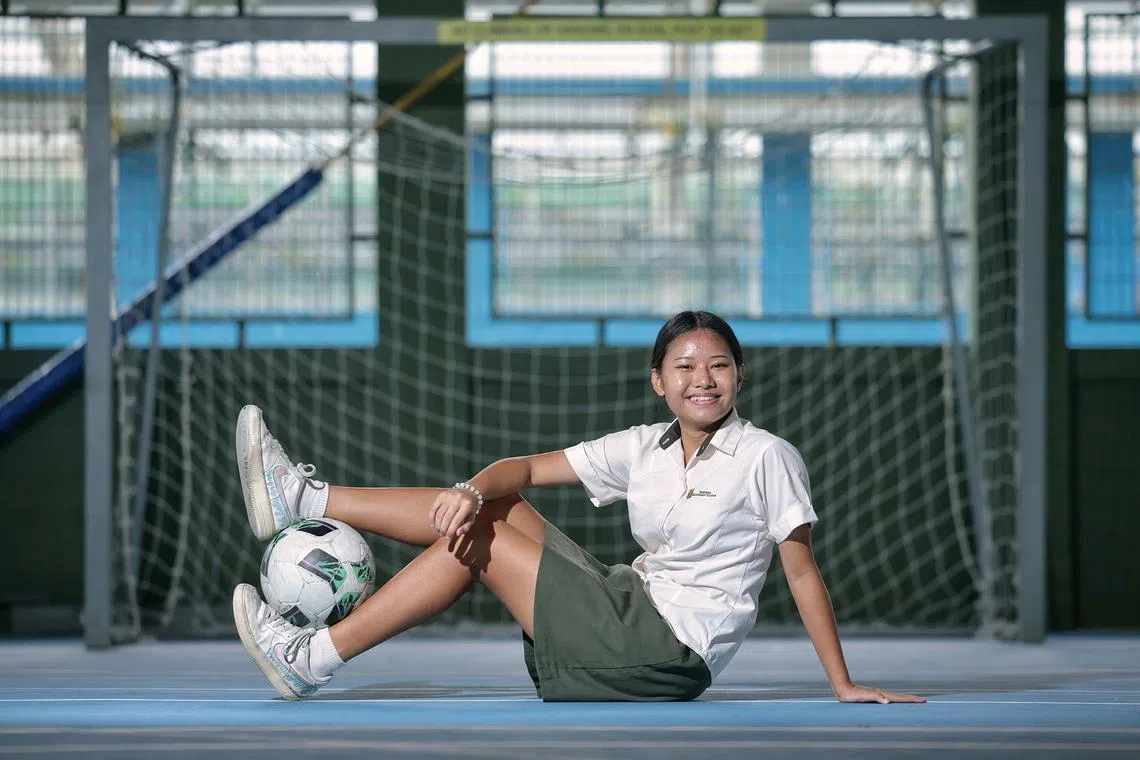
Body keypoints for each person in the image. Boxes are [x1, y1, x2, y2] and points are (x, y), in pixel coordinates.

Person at [232, 310, 925, 704]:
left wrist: (842, 683)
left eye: (717, 365)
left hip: (665, 650)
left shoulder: (766, 455)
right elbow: (525, 468)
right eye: (684, 367)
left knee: (478, 544)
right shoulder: (644, 447)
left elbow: (801, 572)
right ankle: (304, 497)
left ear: (740, 376)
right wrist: (473, 487)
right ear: (659, 381)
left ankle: (311, 656)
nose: (702, 380)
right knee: (494, 507)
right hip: (630, 605)